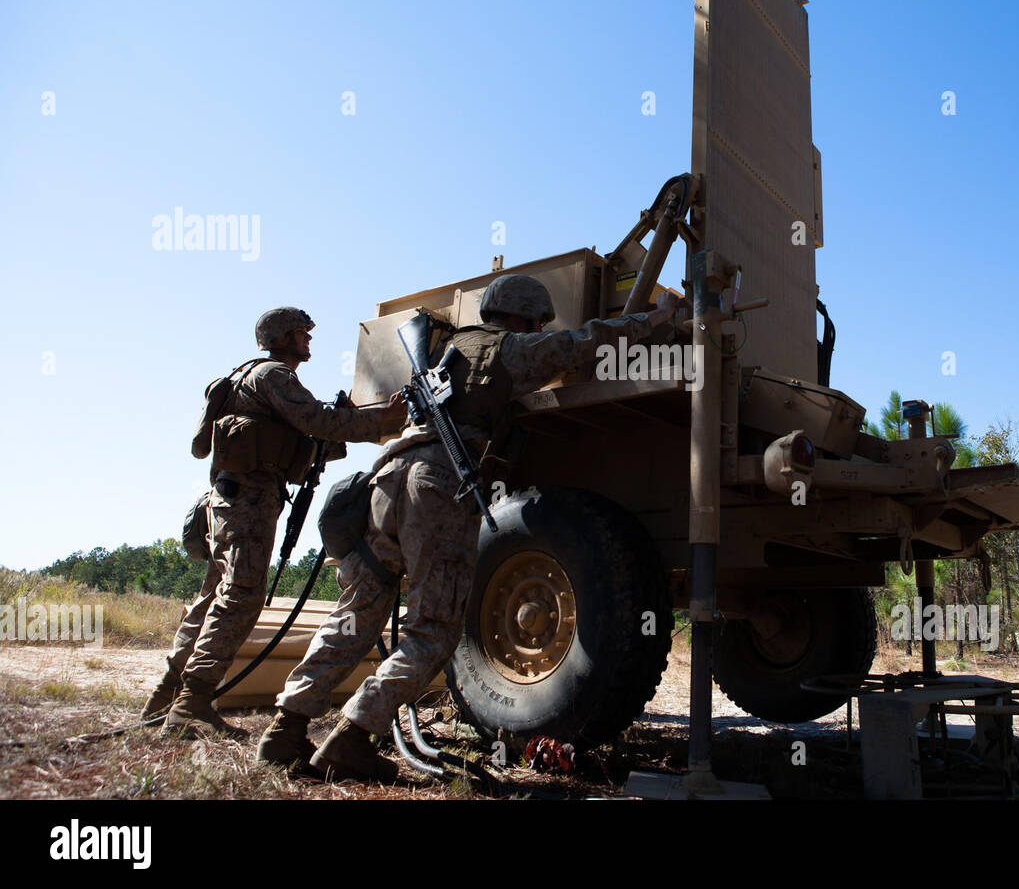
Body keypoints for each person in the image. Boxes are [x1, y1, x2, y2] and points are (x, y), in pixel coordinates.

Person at [257, 275, 678, 780]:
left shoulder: (447, 351)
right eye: (537, 321)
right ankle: (352, 738)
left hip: (387, 480)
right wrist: (652, 320)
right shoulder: (509, 351)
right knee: (432, 631)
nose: (539, 328)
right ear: (526, 318)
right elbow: (583, 342)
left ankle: (285, 729)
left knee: (357, 615)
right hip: (436, 486)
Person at [145, 307, 405, 739]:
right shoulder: (273, 377)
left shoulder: (241, 376)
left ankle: (166, 696)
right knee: (241, 598)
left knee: (214, 597)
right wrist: (385, 419)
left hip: (229, 499)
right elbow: (319, 422)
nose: (309, 340)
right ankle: (190, 703)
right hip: (248, 502)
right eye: (303, 333)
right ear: (283, 337)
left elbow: (308, 435)